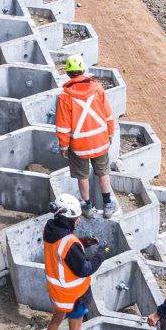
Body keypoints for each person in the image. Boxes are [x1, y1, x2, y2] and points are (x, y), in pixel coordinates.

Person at [40, 194, 106, 330]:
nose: (78, 221)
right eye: (75, 218)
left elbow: (66, 252)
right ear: (68, 219)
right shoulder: (69, 243)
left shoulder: (50, 229)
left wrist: (84, 242)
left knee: (56, 318)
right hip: (74, 295)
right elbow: (84, 268)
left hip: (57, 291)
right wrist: (101, 253)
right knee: (75, 329)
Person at [54, 55, 117, 218]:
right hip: (100, 141)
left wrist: (63, 146)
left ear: (68, 73)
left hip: (79, 146)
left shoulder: (65, 96)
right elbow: (108, 115)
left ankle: (88, 207)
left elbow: (63, 125)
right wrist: (109, 134)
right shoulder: (97, 88)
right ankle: (108, 205)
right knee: (103, 172)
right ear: (83, 70)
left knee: (82, 176)